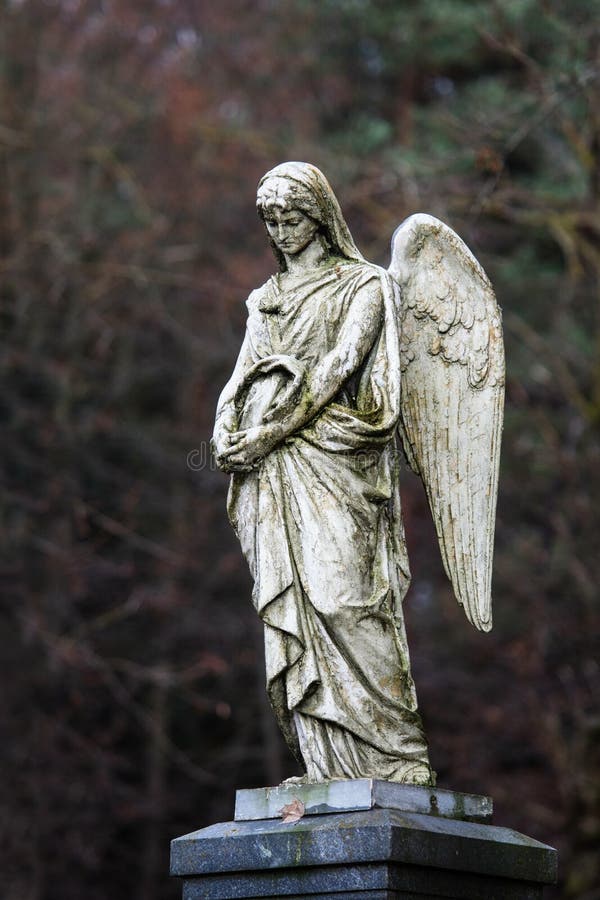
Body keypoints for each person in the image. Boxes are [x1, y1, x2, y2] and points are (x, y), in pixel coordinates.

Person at [213, 161, 434, 785]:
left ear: (321, 216)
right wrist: (225, 427)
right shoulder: (270, 296)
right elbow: (240, 374)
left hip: (335, 462)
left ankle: (397, 757)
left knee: (343, 600)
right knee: (299, 611)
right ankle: (325, 763)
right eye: (272, 221)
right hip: (274, 473)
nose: (283, 232)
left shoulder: (364, 286)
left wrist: (268, 430)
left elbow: (339, 366)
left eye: (294, 219)